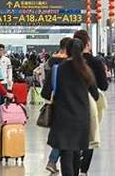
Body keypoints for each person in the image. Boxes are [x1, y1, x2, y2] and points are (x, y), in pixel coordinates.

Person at [41, 39, 99, 176]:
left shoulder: (57, 70)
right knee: (76, 152)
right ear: (82, 51)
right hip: (82, 119)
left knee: (66, 153)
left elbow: (45, 93)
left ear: (66, 51)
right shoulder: (86, 70)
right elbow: (95, 95)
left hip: (62, 119)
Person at [73, 30, 108, 176]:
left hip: (71, 102)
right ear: (87, 44)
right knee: (90, 134)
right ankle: (84, 169)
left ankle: (74, 168)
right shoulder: (95, 62)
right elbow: (103, 86)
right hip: (91, 103)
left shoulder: (68, 62)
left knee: (73, 136)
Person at [43, 37, 72, 174]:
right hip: (70, 105)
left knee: (60, 134)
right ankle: (53, 160)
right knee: (66, 137)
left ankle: (53, 161)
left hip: (55, 103)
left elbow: (45, 91)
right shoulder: (70, 64)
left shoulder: (50, 62)